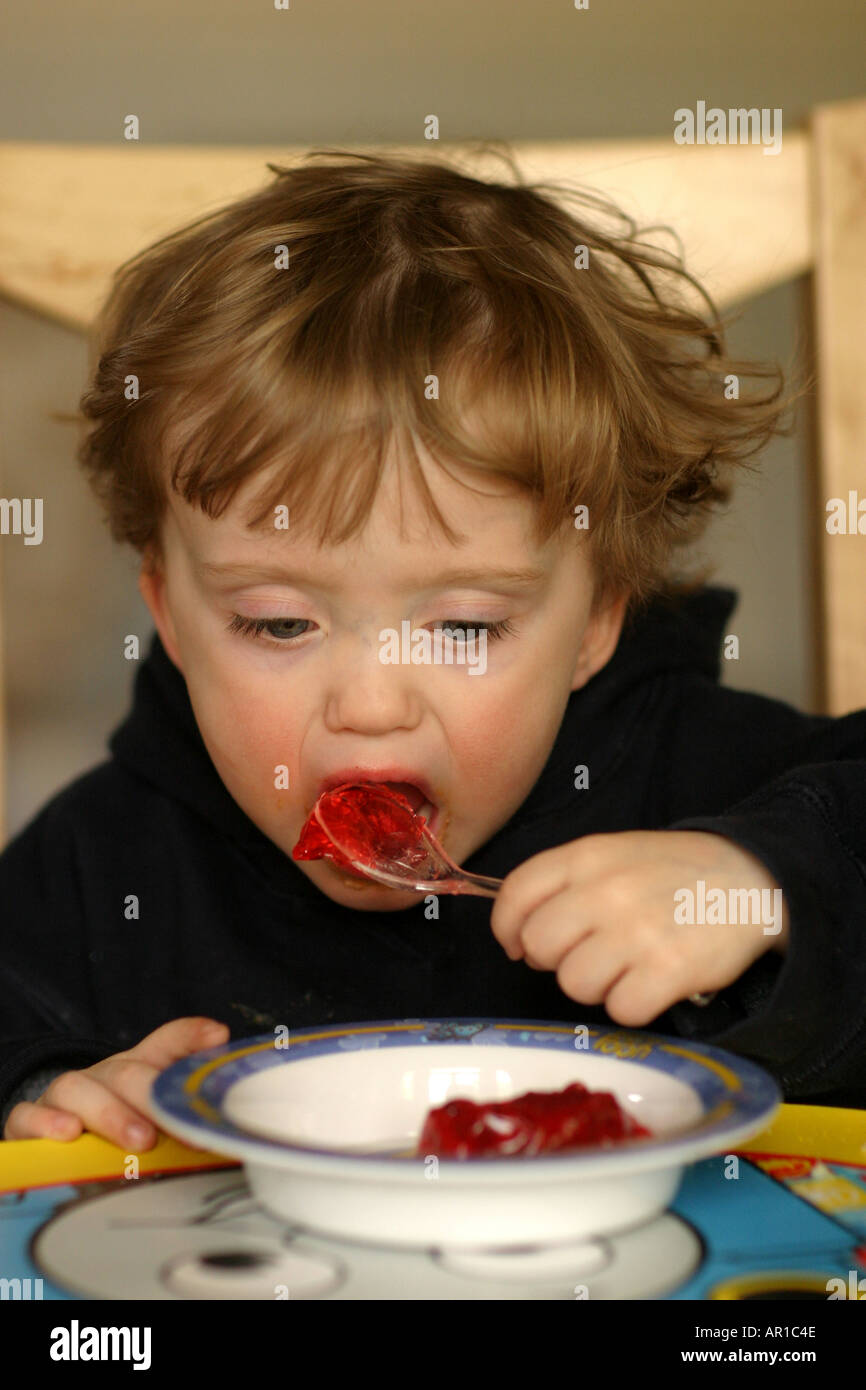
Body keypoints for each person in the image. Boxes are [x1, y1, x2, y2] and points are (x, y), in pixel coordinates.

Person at [2, 147, 865, 1152]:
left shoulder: (707, 779)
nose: (370, 704)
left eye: (463, 626)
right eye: (279, 622)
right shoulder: (103, 863)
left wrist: (770, 886)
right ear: (169, 610)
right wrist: (51, 1089)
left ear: (594, 618)